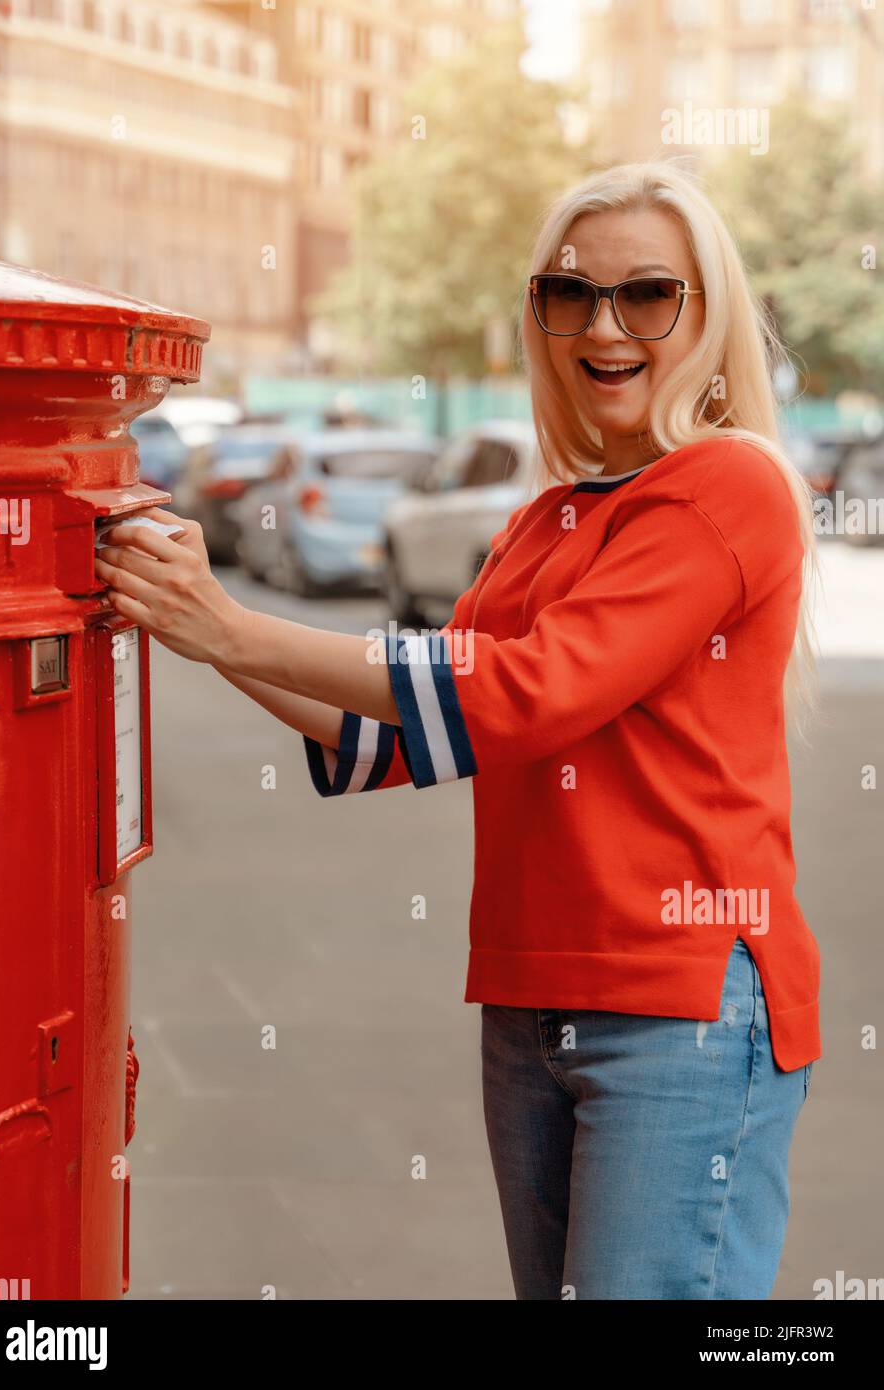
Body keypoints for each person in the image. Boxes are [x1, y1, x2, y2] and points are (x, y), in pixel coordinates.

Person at [94, 160, 821, 1301]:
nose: (604, 325)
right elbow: (393, 732)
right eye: (569, 296)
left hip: (682, 1008)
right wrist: (199, 633)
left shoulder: (731, 486)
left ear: (709, 312)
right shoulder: (547, 518)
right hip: (531, 1005)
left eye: (647, 293)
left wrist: (233, 625)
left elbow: (523, 691)